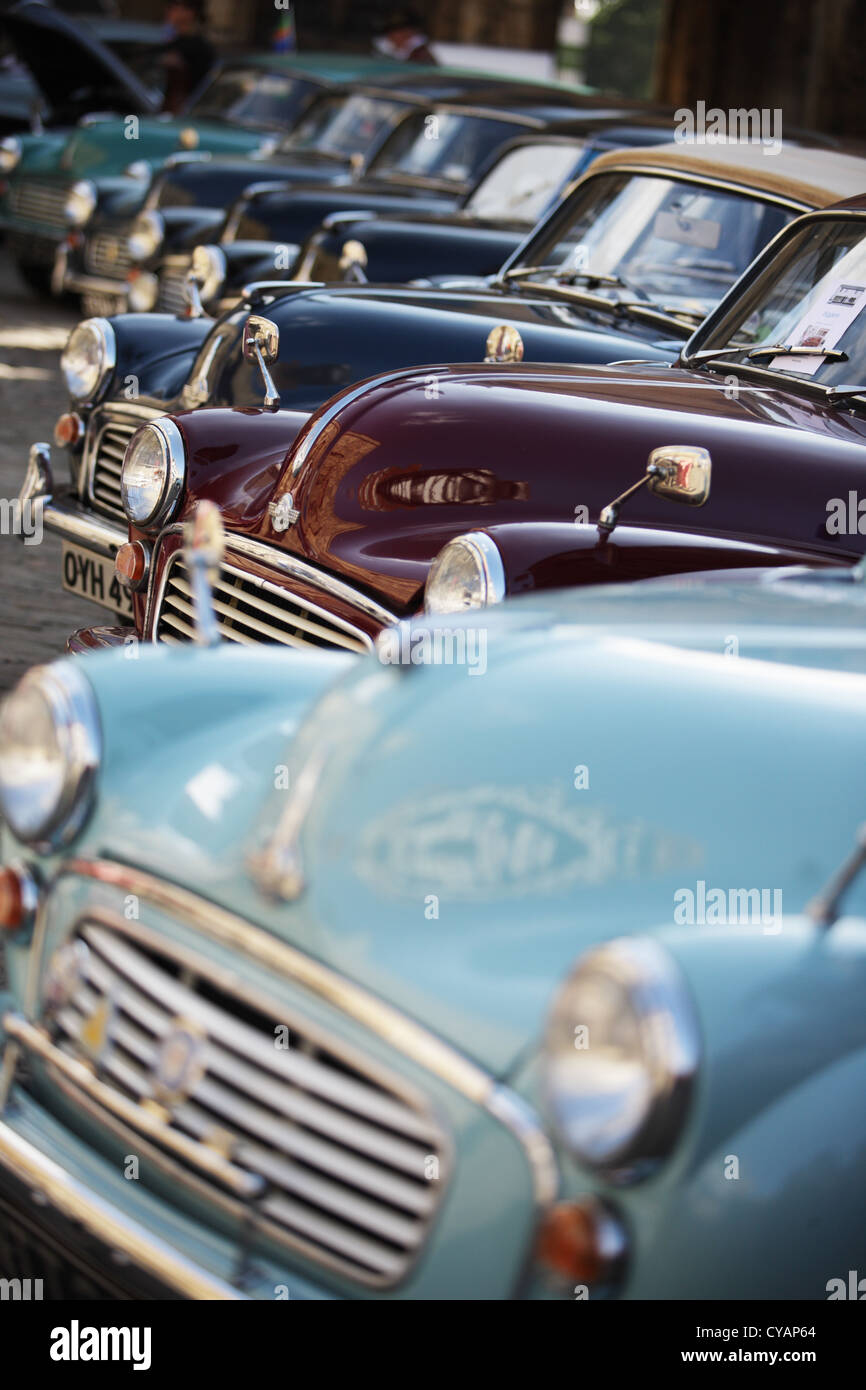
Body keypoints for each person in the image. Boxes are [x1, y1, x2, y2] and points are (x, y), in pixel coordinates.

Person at [160, 0, 217, 114]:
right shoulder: (171, 42)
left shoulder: (199, 47)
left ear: (189, 12)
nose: (168, 11)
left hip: (183, 110)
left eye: (174, 6)